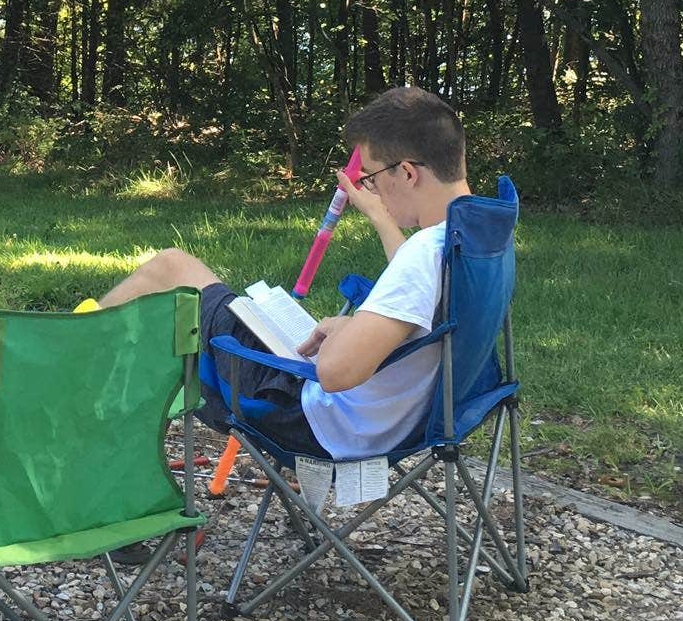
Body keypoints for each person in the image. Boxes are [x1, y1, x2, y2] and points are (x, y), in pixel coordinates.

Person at [97, 85, 470, 458]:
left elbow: (335, 373)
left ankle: (68, 363)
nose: (371, 186)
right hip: (391, 426)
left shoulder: (423, 254)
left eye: (372, 175)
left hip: (308, 415)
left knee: (172, 266)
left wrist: (348, 329)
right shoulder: (475, 234)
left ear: (406, 173)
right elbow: (418, 282)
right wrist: (377, 214)